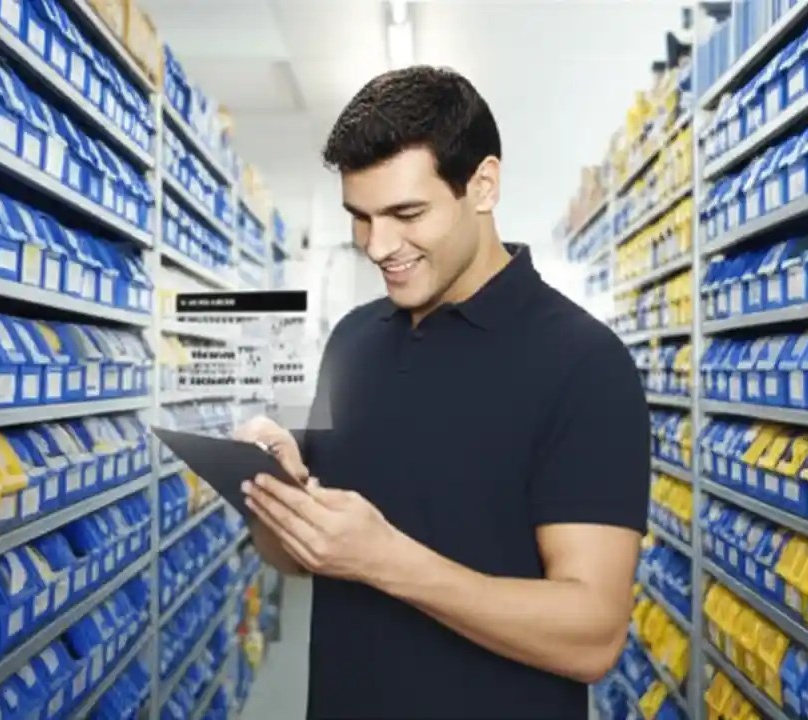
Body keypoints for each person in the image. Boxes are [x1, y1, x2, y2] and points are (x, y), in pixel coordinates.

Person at [234, 65, 650, 719]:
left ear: (482, 185)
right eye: (360, 217)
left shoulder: (584, 363)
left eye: (406, 213)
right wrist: (273, 497)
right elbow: (297, 559)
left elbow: (594, 634)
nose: (379, 246)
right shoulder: (349, 342)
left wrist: (385, 559)